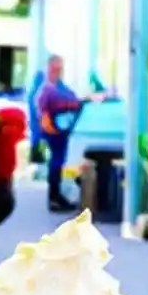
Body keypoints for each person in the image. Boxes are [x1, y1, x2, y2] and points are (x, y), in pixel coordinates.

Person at [35, 54, 84, 212]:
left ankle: (56, 197)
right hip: (54, 131)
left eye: (60, 68)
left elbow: (72, 101)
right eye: (55, 68)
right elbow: (44, 112)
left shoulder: (59, 87)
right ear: (49, 68)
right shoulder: (48, 89)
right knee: (56, 163)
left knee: (58, 162)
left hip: (60, 130)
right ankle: (54, 198)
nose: (58, 71)